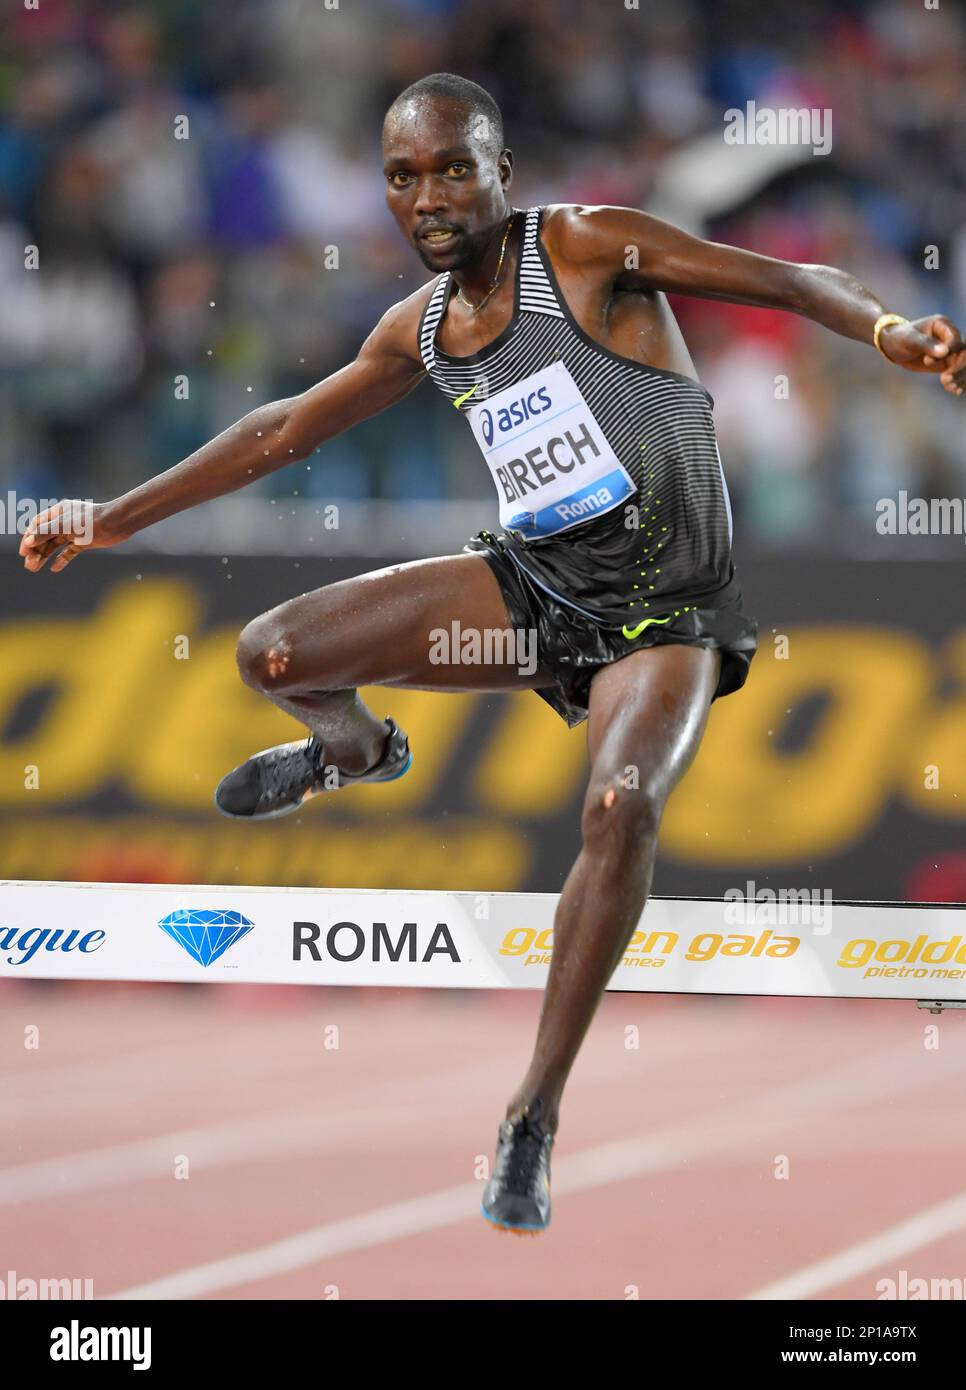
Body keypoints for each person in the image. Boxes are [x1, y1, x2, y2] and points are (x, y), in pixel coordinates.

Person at [21, 73, 965, 1235]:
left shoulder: (581, 248)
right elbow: (279, 430)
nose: (429, 197)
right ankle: (356, 748)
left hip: (664, 608)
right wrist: (111, 518)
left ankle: (532, 1115)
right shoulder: (420, 328)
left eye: (454, 168)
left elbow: (784, 278)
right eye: (405, 178)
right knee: (272, 655)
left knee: (620, 808)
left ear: (502, 172)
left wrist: (887, 330)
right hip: (536, 590)